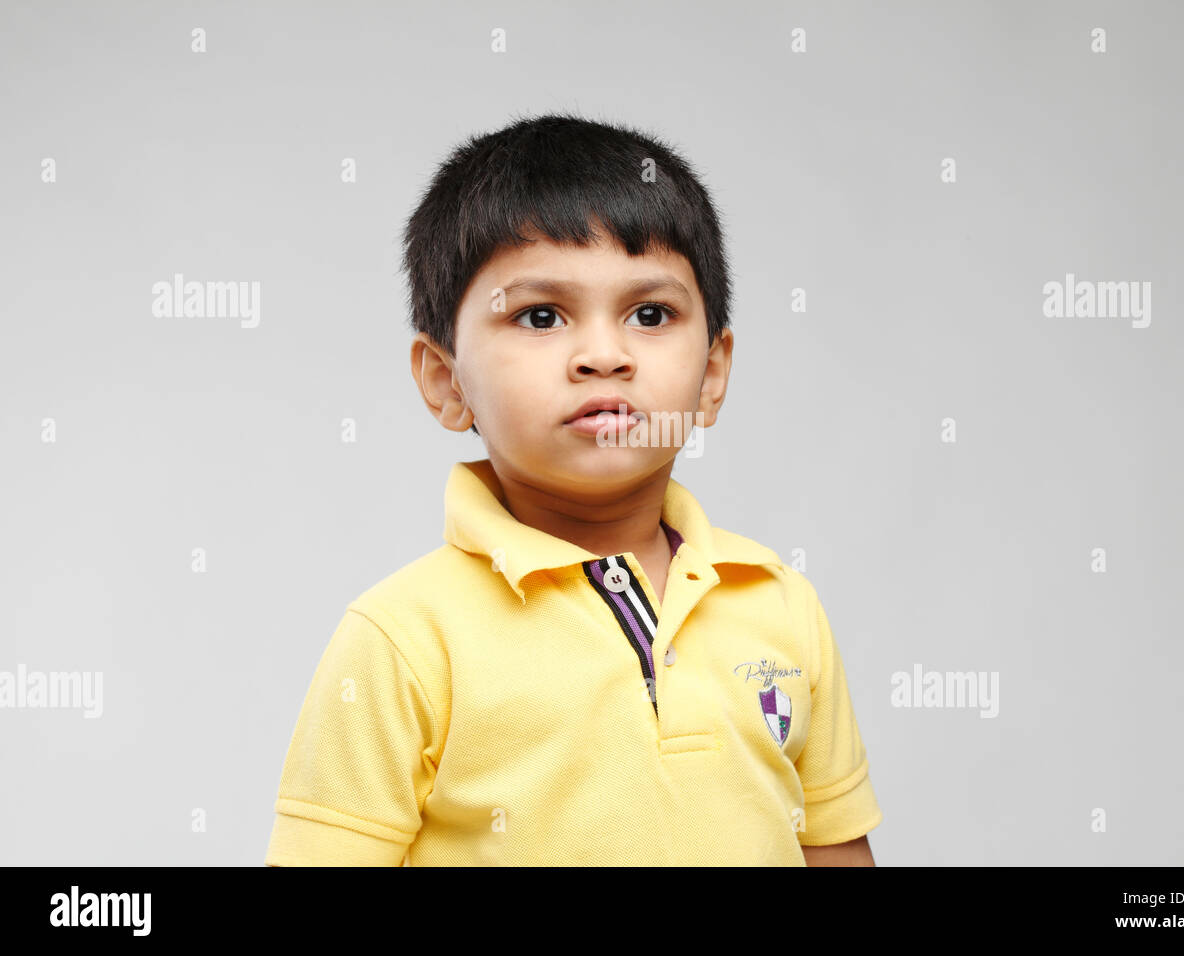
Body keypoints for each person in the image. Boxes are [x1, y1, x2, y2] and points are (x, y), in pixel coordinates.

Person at [265, 111, 881, 866]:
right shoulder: (405, 639)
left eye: (649, 314)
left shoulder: (780, 604)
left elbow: (832, 850)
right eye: (541, 315)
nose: (602, 354)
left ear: (712, 375)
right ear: (446, 380)